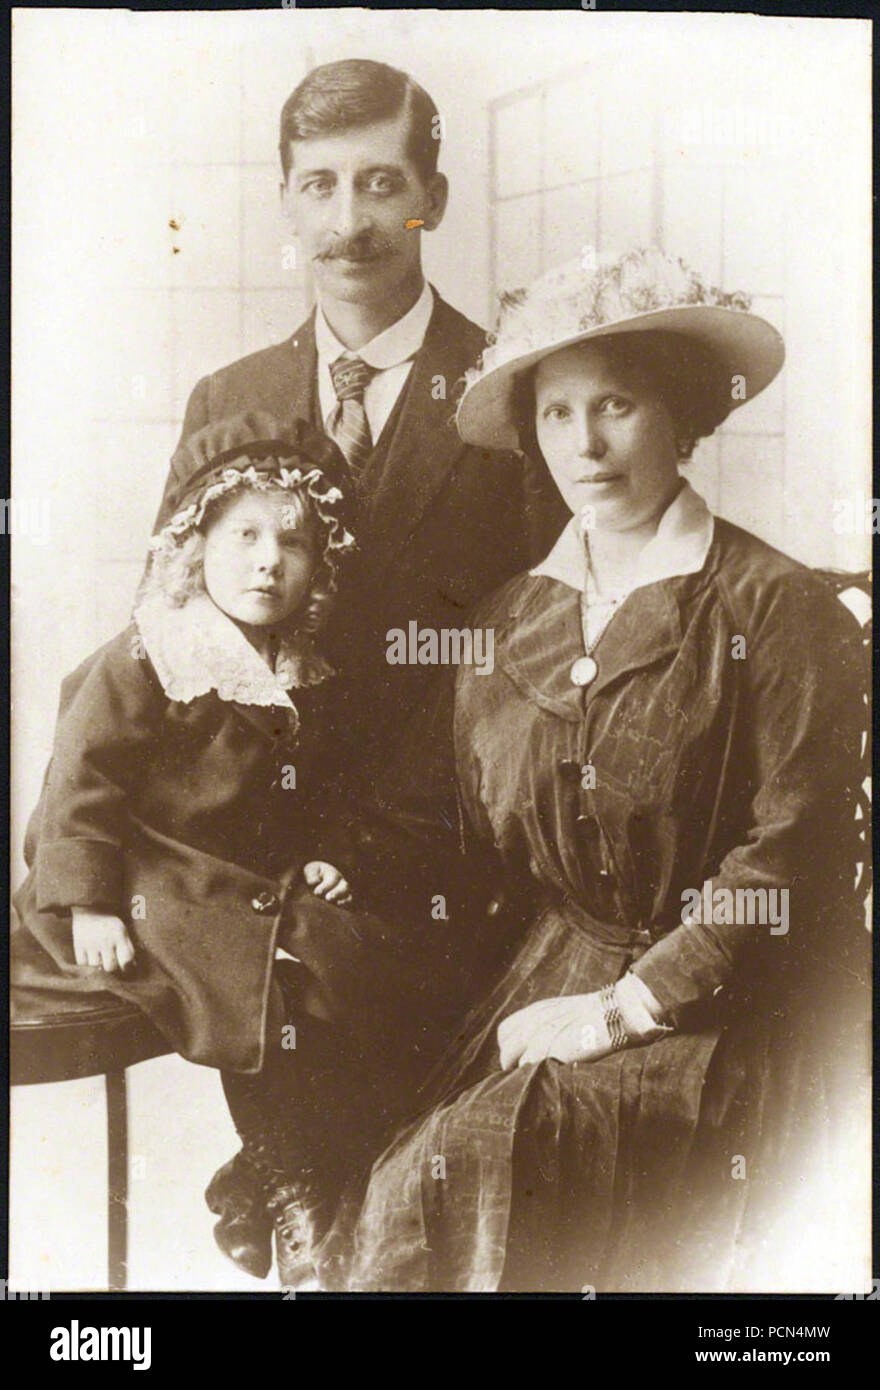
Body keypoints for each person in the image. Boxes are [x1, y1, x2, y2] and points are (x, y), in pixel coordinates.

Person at [312, 248, 868, 1291]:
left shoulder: (768, 605)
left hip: (728, 1016)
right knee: (377, 1147)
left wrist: (616, 1011)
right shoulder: (512, 616)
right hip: (546, 980)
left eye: (616, 405)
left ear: (683, 417)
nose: (586, 444)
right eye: (557, 414)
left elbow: (791, 855)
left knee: (456, 1166)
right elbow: (421, 815)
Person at [10, 413, 389, 1280]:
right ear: (196, 545)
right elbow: (79, 784)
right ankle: (295, 1187)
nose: (269, 560)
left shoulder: (300, 667)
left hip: (231, 877)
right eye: (245, 535)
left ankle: (265, 1171)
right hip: (144, 870)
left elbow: (321, 792)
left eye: (295, 542)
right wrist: (91, 899)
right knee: (261, 981)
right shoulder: (154, 653)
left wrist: (332, 852)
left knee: (349, 958)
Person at [154, 57, 563, 780]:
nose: (348, 223)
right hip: (253, 829)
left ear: (431, 201)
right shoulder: (225, 400)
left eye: (380, 184)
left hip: (453, 830)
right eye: (320, 186)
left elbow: (556, 643)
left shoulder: (518, 387)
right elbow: (168, 623)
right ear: (287, 202)